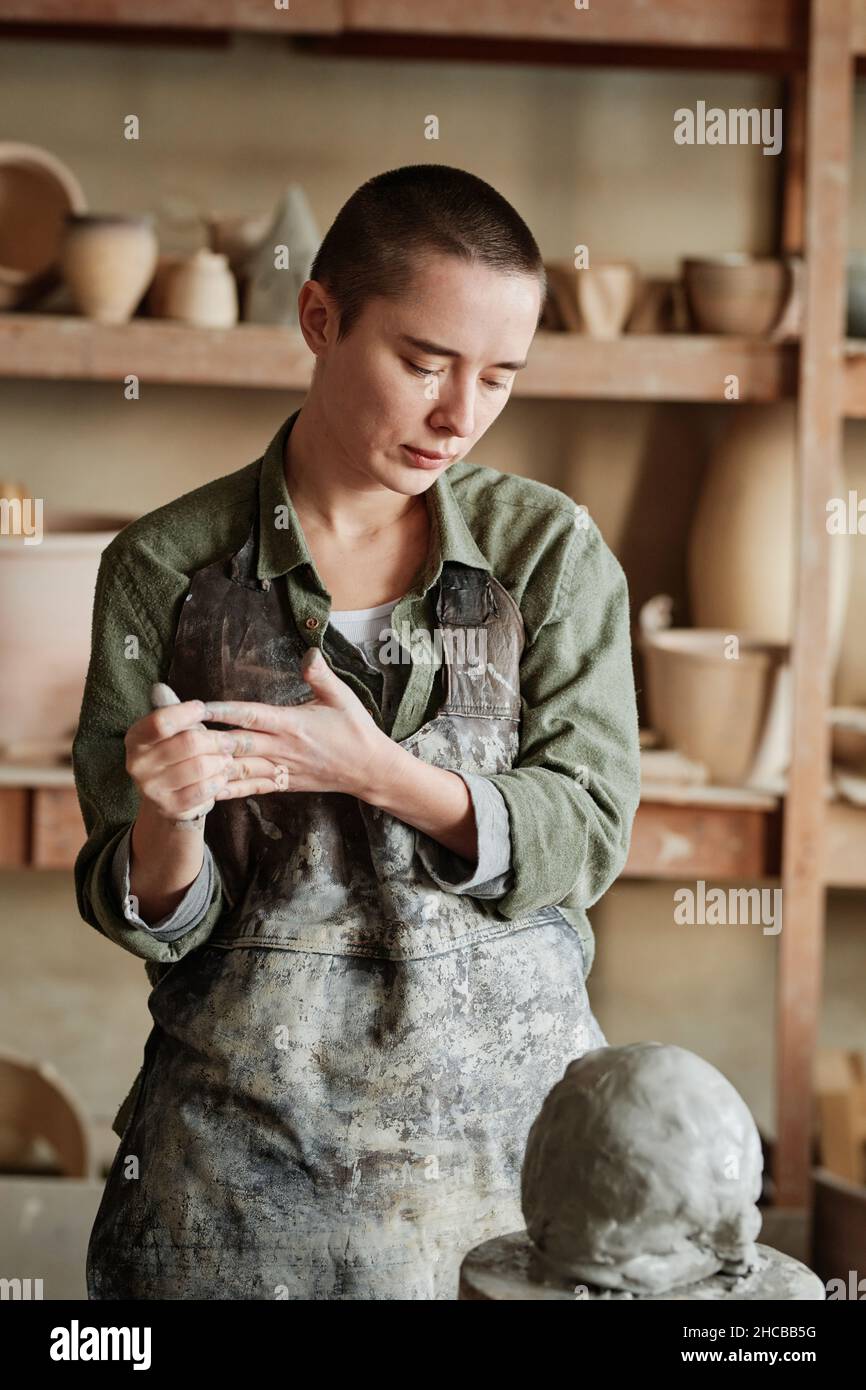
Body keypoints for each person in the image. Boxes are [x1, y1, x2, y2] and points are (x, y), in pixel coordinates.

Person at [73, 163, 641, 1300]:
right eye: (425, 364)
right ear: (320, 318)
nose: (458, 414)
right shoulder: (168, 570)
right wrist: (165, 816)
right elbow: (148, 914)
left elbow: (586, 833)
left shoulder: (549, 555)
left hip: (505, 1167)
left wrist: (383, 774)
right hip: (241, 1177)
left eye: (496, 377)